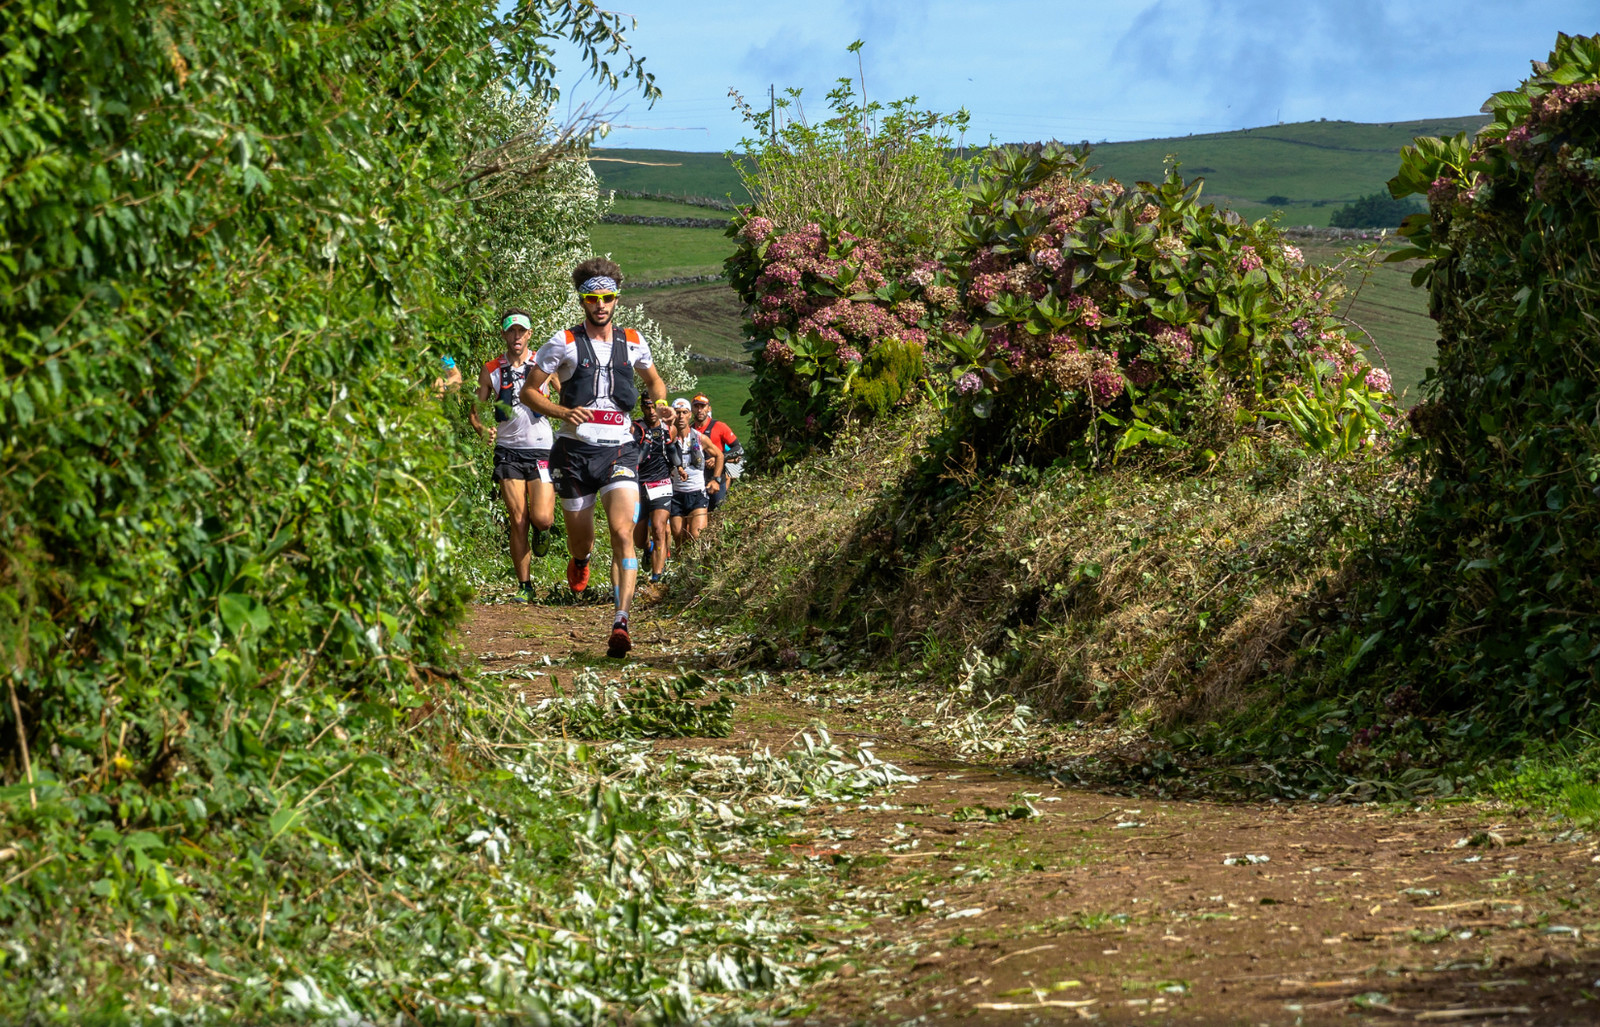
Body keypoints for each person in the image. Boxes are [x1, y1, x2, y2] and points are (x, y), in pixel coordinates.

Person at [520, 259, 666, 658]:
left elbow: (653, 380)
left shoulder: (633, 339)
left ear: (616, 299)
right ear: (583, 300)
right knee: (582, 539)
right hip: (574, 452)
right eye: (592, 298)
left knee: (623, 533)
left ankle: (621, 619)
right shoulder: (562, 341)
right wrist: (562, 412)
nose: (600, 305)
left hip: (619, 448)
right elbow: (529, 393)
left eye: (607, 297)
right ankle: (580, 559)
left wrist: (662, 402)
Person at [469, 310, 554, 603]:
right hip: (507, 451)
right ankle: (525, 585)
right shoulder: (491, 368)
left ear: (529, 334)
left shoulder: (544, 364)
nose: (516, 336)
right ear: (504, 334)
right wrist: (482, 429)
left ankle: (542, 532)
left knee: (541, 518)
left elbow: (566, 394)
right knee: (518, 519)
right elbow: (475, 409)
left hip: (542, 448)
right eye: (511, 331)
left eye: (521, 331)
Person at [668, 398, 723, 546]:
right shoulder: (666, 440)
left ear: (690, 415)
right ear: (672, 415)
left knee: (696, 536)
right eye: (677, 413)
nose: (680, 417)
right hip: (675, 494)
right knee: (678, 537)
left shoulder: (700, 438)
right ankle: (680, 566)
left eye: (684, 412)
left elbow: (719, 455)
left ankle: (697, 567)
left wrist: (715, 479)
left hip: (697, 493)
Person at [632, 398, 674, 584]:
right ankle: (648, 549)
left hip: (662, 482)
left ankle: (657, 576)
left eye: (653, 408)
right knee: (639, 540)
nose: (651, 412)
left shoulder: (667, 428)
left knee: (658, 528)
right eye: (647, 408)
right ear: (642, 408)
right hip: (640, 485)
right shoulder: (635, 428)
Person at [689, 393, 742, 512]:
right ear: (692, 409)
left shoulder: (720, 426)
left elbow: (738, 449)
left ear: (709, 408)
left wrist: (719, 458)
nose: (699, 410)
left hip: (717, 479)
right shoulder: (689, 430)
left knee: (717, 515)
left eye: (703, 406)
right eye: (696, 406)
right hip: (696, 481)